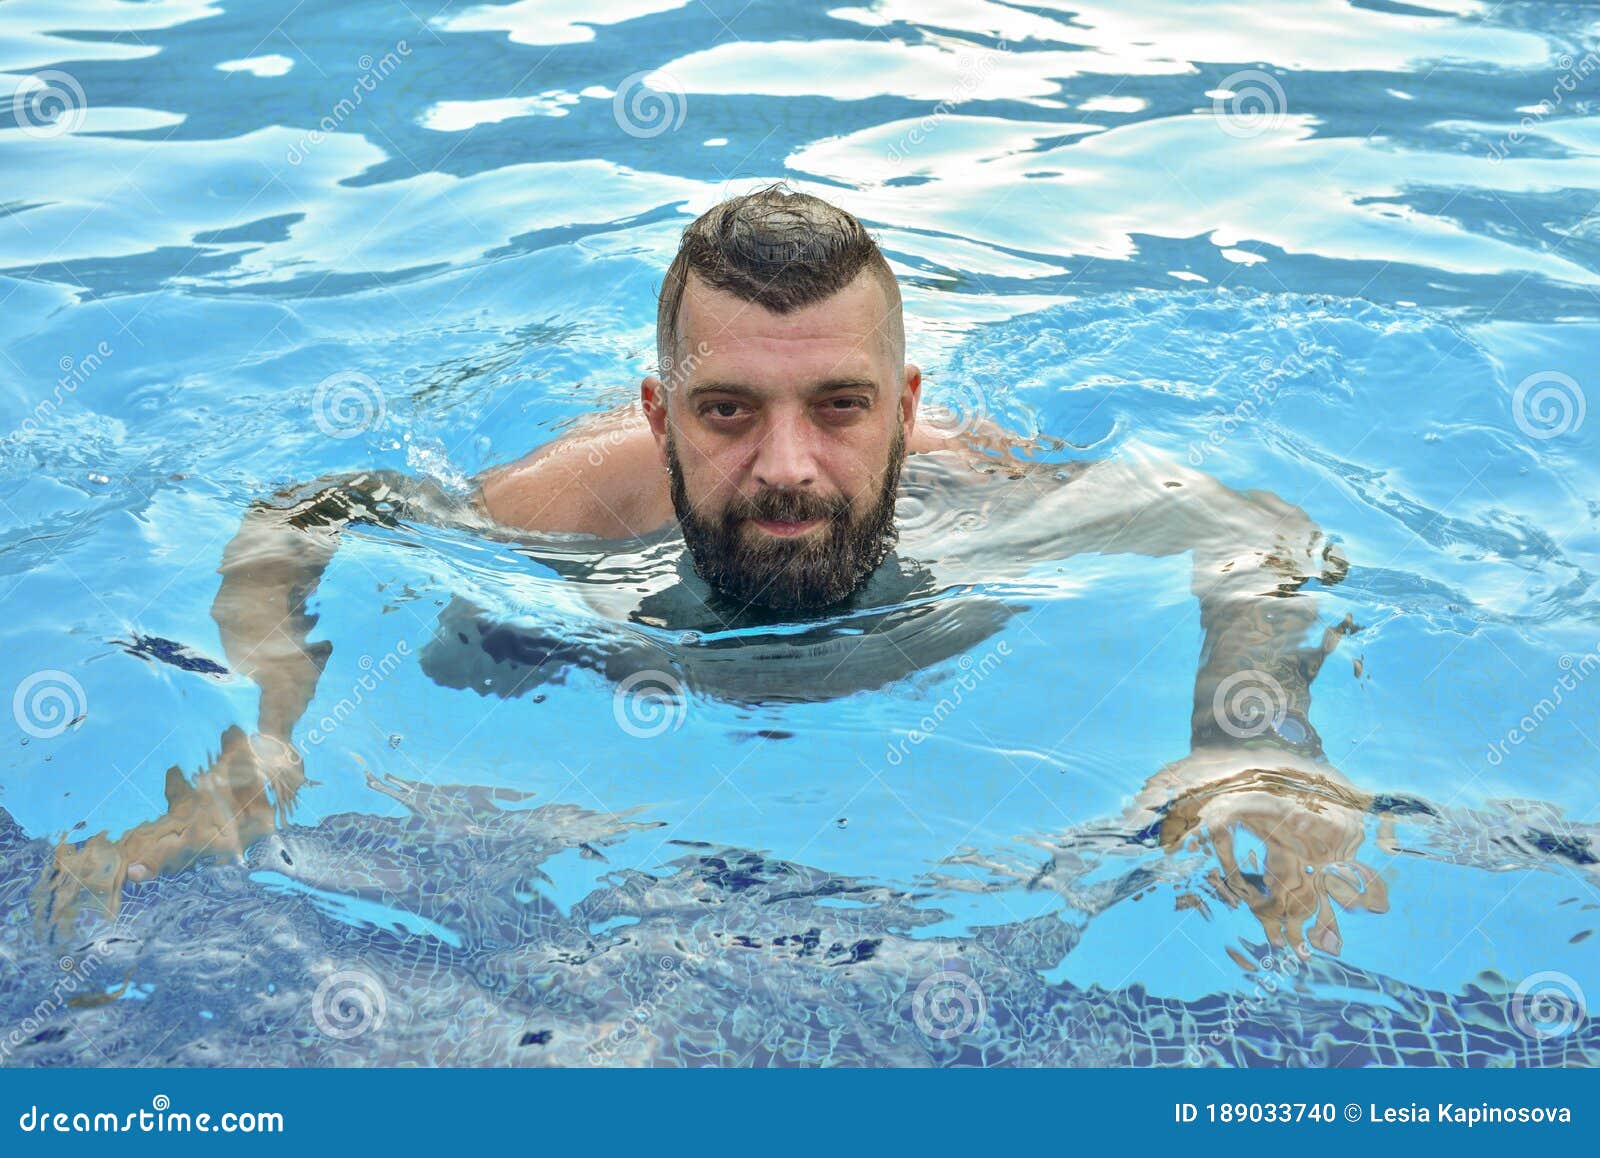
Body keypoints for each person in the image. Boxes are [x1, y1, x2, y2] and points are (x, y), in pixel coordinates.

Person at [36, 185, 1385, 956]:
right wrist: (259, 733)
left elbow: (1262, 532)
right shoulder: (556, 513)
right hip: (602, 607)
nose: (789, 468)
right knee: (479, 655)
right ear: (658, 411)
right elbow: (307, 511)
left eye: (843, 410)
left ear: (908, 409)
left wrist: (1253, 743)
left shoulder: (988, 509)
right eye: (728, 410)